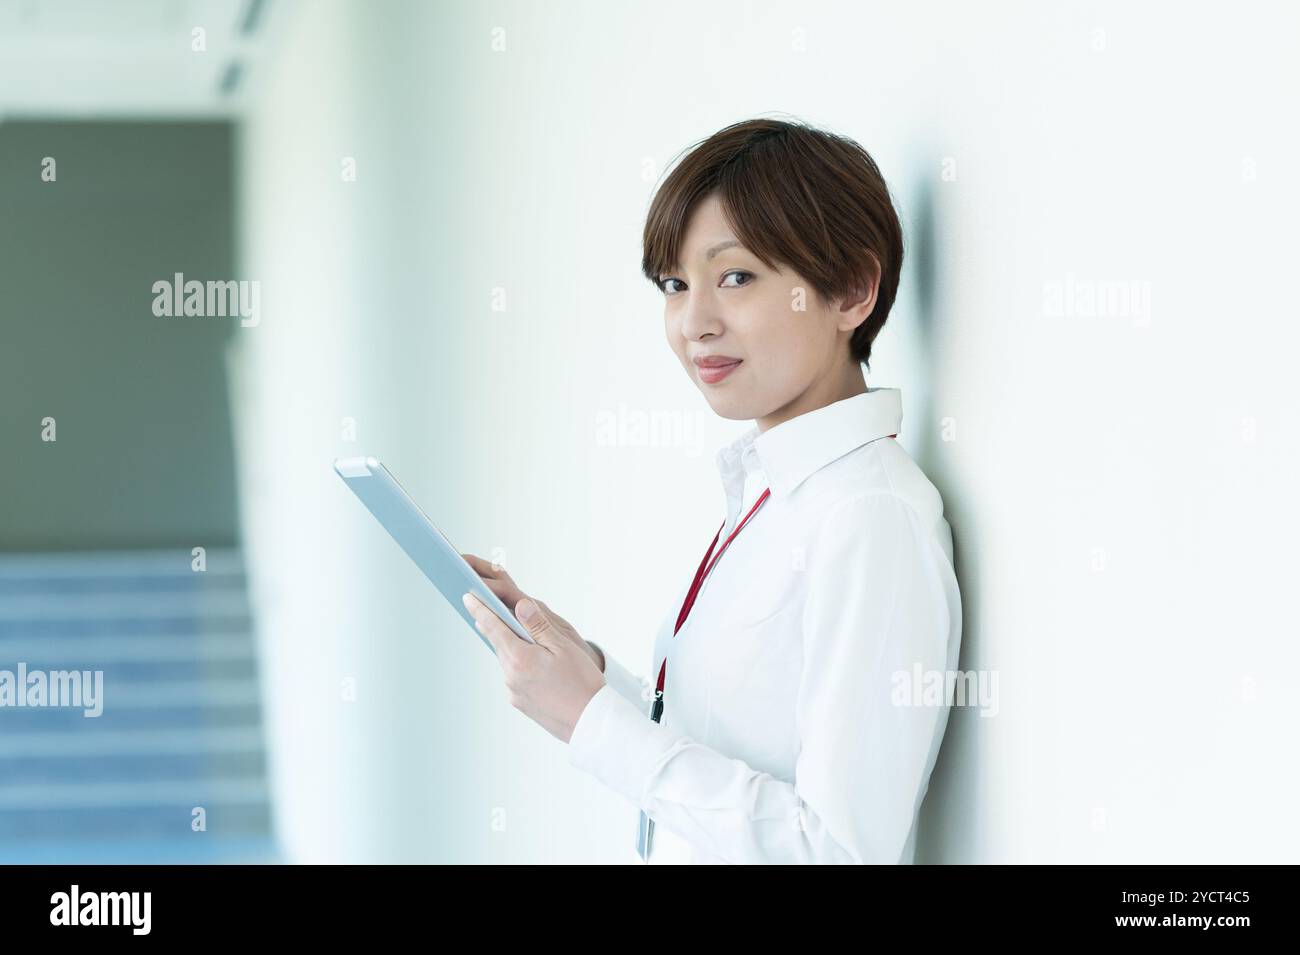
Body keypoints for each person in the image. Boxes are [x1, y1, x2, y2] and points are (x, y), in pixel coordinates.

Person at [461, 117, 962, 864]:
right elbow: (726, 747)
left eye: (735, 277)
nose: (693, 322)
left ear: (852, 289)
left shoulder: (869, 516)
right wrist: (583, 674)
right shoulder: (774, 494)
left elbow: (836, 851)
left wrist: (594, 720)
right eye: (674, 284)